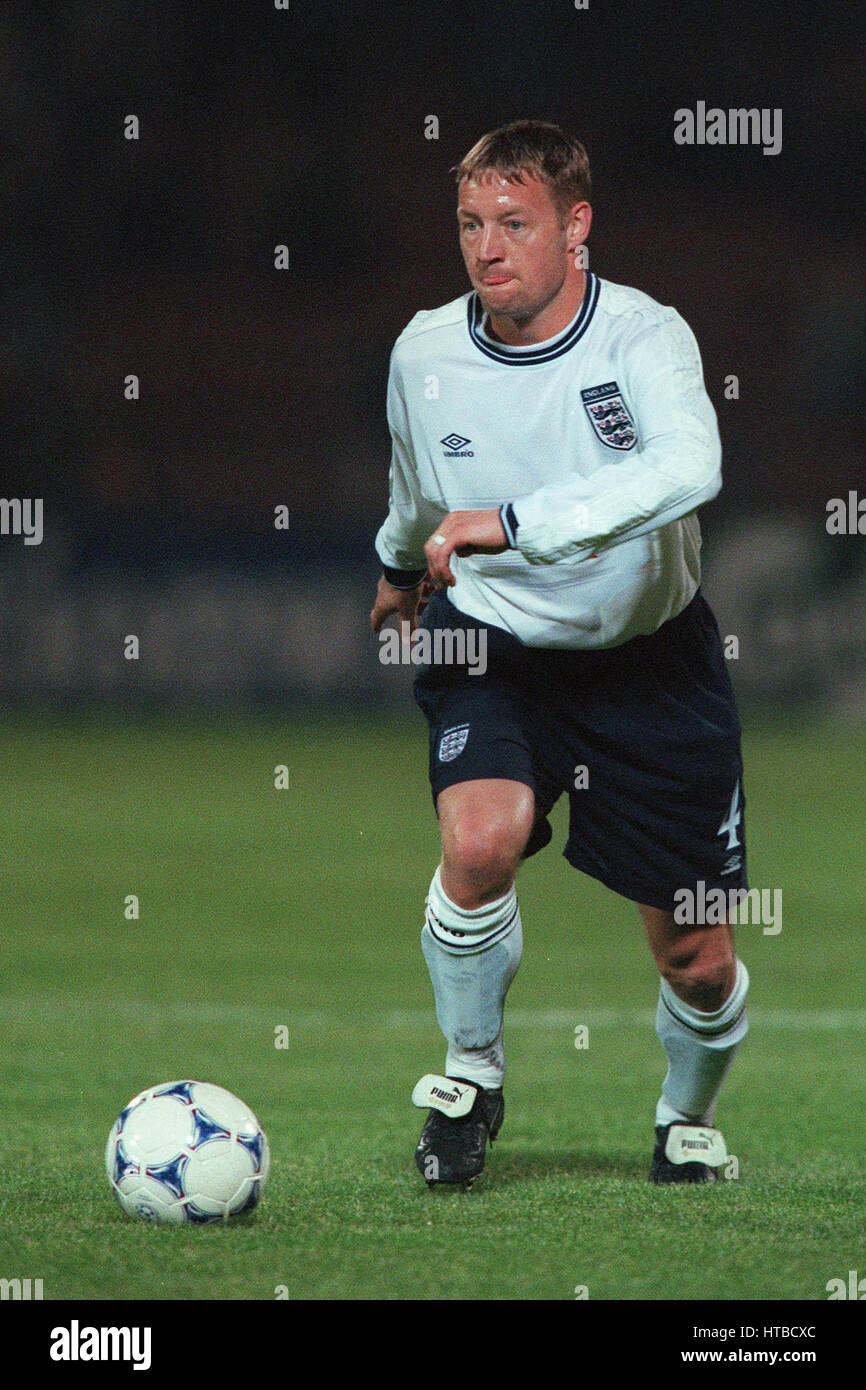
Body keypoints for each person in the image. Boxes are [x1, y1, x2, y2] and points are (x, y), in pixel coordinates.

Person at [370, 120, 748, 1187]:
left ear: (574, 227)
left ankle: (684, 1117)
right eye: (469, 224)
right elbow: (415, 492)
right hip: (495, 643)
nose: (486, 248)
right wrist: (396, 569)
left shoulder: (642, 337)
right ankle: (469, 1074)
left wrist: (518, 520)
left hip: (649, 662)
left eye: (514, 223)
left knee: (697, 955)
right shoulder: (424, 352)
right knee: (480, 839)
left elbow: (688, 466)